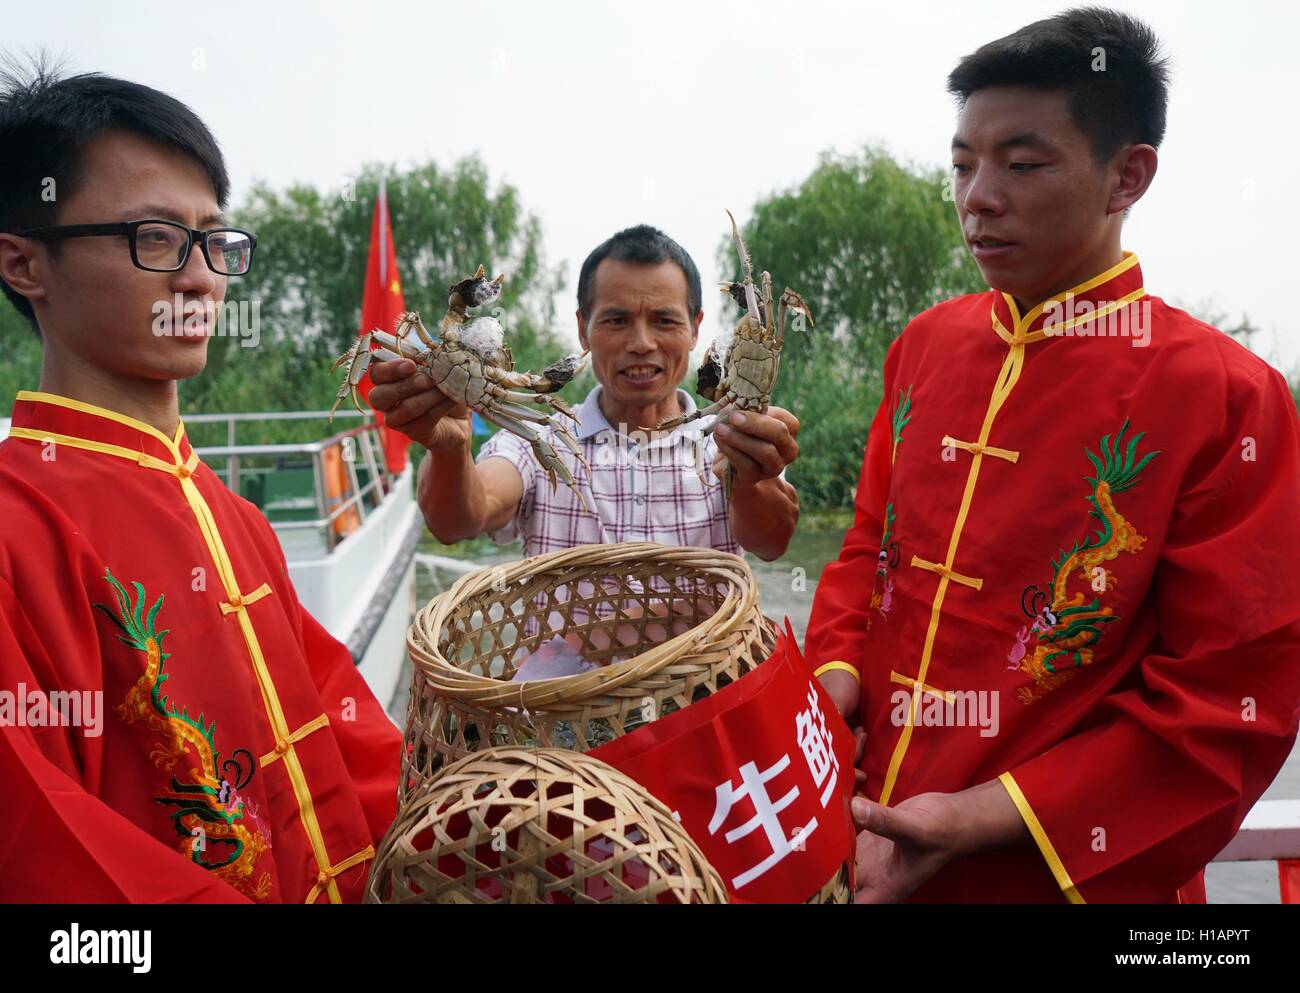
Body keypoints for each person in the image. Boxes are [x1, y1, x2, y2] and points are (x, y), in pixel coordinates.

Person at [805, 7, 1300, 903]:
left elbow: (1229, 701)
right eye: (962, 164)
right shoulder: (924, 346)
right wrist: (831, 690)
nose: (976, 197)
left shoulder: (1227, 399)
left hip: (1053, 871)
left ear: (1128, 176)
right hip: (857, 836)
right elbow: (863, 554)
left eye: (1022, 164)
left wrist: (975, 816)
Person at [0, 66, 400, 903]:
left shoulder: (235, 519)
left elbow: (340, 734)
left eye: (214, 241)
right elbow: (43, 841)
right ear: (25, 262)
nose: (200, 278)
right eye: (154, 238)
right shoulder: (16, 524)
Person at [368, 224, 801, 561]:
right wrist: (449, 450)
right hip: (563, 679)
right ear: (582, 329)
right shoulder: (540, 436)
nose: (641, 343)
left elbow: (771, 543)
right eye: (616, 321)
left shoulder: (732, 440)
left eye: (665, 322)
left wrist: (750, 481)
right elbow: (459, 521)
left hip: (708, 674)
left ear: (696, 330)